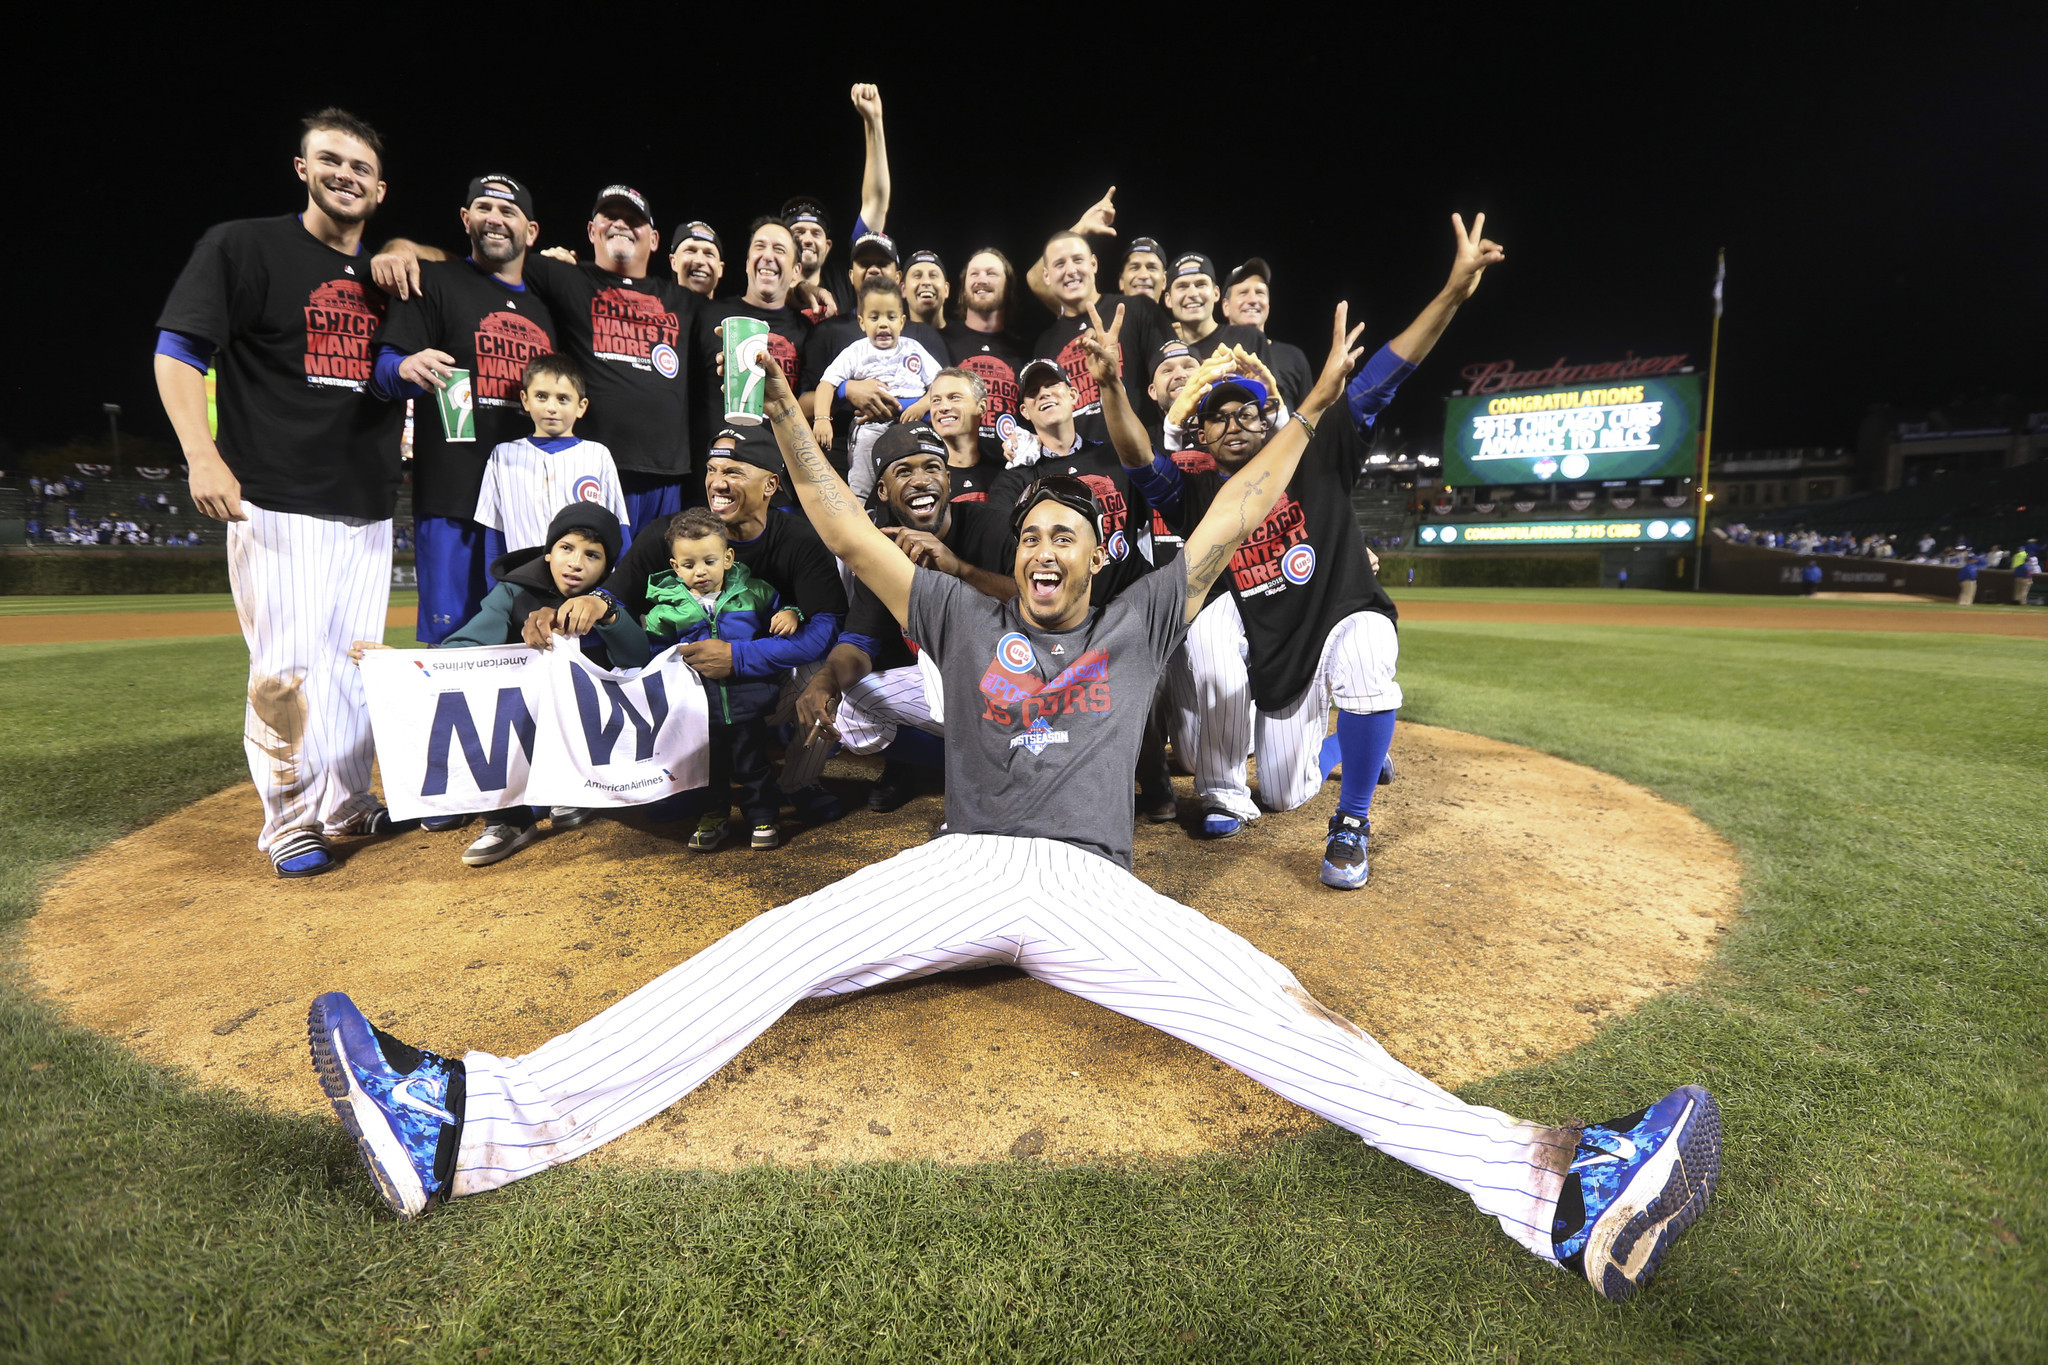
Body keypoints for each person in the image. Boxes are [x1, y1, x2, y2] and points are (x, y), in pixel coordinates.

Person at [307, 327, 1723, 1309]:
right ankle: (472, 1124)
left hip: (1092, 886)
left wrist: (1305, 412)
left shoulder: (1148, 614)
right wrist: (794, 423)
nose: (1045, 548)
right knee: (770, 954)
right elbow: (854, 535)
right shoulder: (966, 624)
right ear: (1011, 560)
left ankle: (1552, 1193)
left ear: (1100, 559)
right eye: (1031, 535)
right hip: (966, 865)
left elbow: (1234, 516)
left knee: (1285, 1013)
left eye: (1066, 536)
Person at [1122, 215, 1502, 885]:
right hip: (1271, 649)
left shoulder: (1320, 444)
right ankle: (1316, 756)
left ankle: (1351, 821)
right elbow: (1138, 461)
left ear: (1273, 415)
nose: (1236, 422)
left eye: (1248, 410)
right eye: (1220, 415)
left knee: (1367, 653)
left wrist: (1450, 291)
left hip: (1333, 619)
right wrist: (1105, 388)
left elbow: (1386, 374)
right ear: (1201, 435)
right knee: (1280, 788)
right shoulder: (1197, 484)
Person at [154, 108, 408, 879]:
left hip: (367, 502)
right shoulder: (243, 245)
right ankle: (289, 820)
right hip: (275, 496)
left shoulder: (383, 271)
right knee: (285, 671)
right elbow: (177, 351)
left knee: (352, 670)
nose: (345, 175)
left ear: (380, 187)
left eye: (360, 168)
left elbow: (430, 259)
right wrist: (201, 456)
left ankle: (346, 800)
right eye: (330, 161)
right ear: (302, 168)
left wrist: (401, 247)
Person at [550, 434, 849, 821]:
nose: (717, 482)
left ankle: (799, 781)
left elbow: (828, 627)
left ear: (771, 485)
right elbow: (615, 595)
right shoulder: (673, 535)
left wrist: (739, 657)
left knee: (822, 674)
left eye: (734, 472)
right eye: (712, 470)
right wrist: (594, 603)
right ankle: (654, 778)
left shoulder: (798, 539)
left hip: (766, 681)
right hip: (688, 691)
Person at [375, 184, 702, 532]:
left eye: (633, 219)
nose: (621, 224)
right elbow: (482, 260)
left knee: (655, 581)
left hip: (667, 475)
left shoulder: (682, 300)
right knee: (591, 582)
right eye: (610, 216)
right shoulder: (561, 276)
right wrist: (403, 250)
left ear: (653, 239)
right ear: (592, 230)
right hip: (583, 466)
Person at [352, 504, 646, 865]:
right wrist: (400, 661)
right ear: (549, 551)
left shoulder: (609, 597)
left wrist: (610, 615)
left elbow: (637, 658)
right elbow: (468, 646)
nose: (576, 562)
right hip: (525, 723)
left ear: (607, 567)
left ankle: (571, 787)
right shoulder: (513, 591)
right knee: (487, 691)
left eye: (592, 555)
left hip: (594, 729)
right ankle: (507, 819)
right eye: (566, 548)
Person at [792, 423, 1016, 811]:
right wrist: (826, 680)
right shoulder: (884, 548)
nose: (920, 480)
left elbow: (1042, 607)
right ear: (882, 491)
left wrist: (960, 569)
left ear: (948, 478)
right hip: (942, 683)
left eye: (931, 468)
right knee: (849, 710)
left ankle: (1013, 764)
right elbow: (859, 642)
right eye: (903, 471)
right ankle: (961, 767)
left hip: (1015, 677)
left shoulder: (995, 525)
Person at [375, 174, 556, 644]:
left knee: (528, 646)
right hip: (452, 498)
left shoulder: (548, 305)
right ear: (465, 218)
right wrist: (404, 367)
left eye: (508, 211)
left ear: (531, 231)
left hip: (528, 507)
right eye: (484, 207)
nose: (495, 218)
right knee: (452, 646)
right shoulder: (431, 281)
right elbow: (384, 369)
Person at [642, 507, 801, 852]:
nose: (700, 572)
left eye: (709, 561)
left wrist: (791, 613)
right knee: (706, 770)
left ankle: (763, 815)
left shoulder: (754, 592)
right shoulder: (664, 610)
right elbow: (657, 659)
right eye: (689, 565)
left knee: (753, 763)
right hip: (697, 712)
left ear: (728, 558)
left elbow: (782, 608)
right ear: (674, 567)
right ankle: (713, 818)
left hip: (747, 702)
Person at [474, 354, 630, 559]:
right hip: (522, 578)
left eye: (563, 398)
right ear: (525, 400)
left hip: (583, 578)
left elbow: (619, 526)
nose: (551, 407)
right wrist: (496, 588)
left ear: (581, 406)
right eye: (541, 396)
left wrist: (617, 588)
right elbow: (495, 531)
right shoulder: (502, 455)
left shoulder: (597, 455)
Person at [811, 277, 943, 501]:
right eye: (875, 317)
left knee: (913, 478)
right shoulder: (856, 351)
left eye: (891, 317)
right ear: (862, 322)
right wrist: (822, 418)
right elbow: (826, 383)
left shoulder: (914, 348)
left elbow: (941, 383)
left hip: (914, 425)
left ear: (902, 322)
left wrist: (922, 405)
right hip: (870, 425)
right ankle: (861, 510)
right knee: (862, 474)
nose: (883, 324)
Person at [784, 84, 892, 319]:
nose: (807, 239)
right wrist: (800, 289)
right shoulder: (767, 284)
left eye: (816, 233)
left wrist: (873, 122)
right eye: (798, 231)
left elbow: (876, 201)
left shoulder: (844, 282)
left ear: (828, 246)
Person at [940, 248, 1031, 446]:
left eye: (991, 273)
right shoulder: (942, 341)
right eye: (974, 274)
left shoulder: (1024, 350)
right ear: (963, 289)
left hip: (1010, 469)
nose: (982, 280)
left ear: (1008, 286)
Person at [1219, 257, 1313, 408]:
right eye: (1243, 292)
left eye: (1260, 292)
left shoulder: (1294, 356)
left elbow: (1310, 415)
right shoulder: (1216, 355)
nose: (1253, 299)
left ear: (1268, 305)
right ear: (1226, 306)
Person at [924, 368, 1006, 502]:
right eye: (936, 400)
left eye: (954, 398)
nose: (943, 407)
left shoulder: (1006, 467)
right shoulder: (922, 476)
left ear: (982, 407)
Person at [1164, 252, 1221, 348]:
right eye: (1182, 286)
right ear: (1168, 299)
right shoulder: (1161, 353)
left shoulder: (1248, 337)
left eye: (1201, 284)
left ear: (1216, 293)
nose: (1192, 293)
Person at [669, 220, 724, 298]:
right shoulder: (651, 309)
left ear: (720, 269)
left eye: (709, 254)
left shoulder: (735, 310)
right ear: (674, 262)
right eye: (690, 251)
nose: (700, 261)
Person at [903, 249, 948, 327]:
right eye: (917, 276)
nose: (926, 282)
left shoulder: (965, 336)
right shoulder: (895, 337)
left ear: (946, 290)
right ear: (903, 290)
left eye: (933, 275)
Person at [1117, 236, 1168, 301]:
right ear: (1121, 280)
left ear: (1164, 281)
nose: (1143, 275)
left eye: (1152, 268)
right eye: (1134, 268)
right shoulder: (1102, 311)